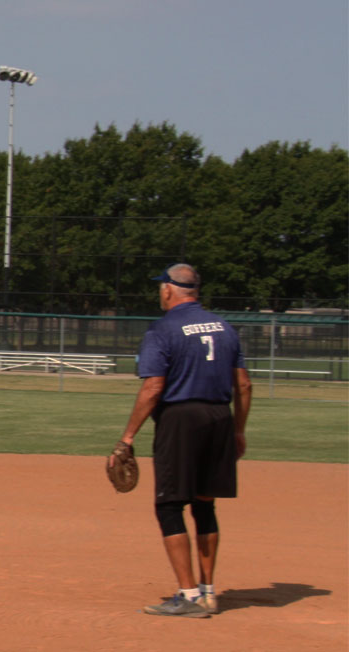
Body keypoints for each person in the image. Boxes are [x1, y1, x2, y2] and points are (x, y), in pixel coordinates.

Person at [117, 264, 250, 619]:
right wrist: (238, 430)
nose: (159, 291)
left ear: (169, 290)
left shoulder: (162, 330)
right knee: (204, 505)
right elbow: (245, 385)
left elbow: (153, 387)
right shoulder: (225, 327)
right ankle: (208, 592)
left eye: (161, 286)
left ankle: (188, 597)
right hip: (220, 417)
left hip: (180, 420)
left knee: (170, 505)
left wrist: (127, 437)